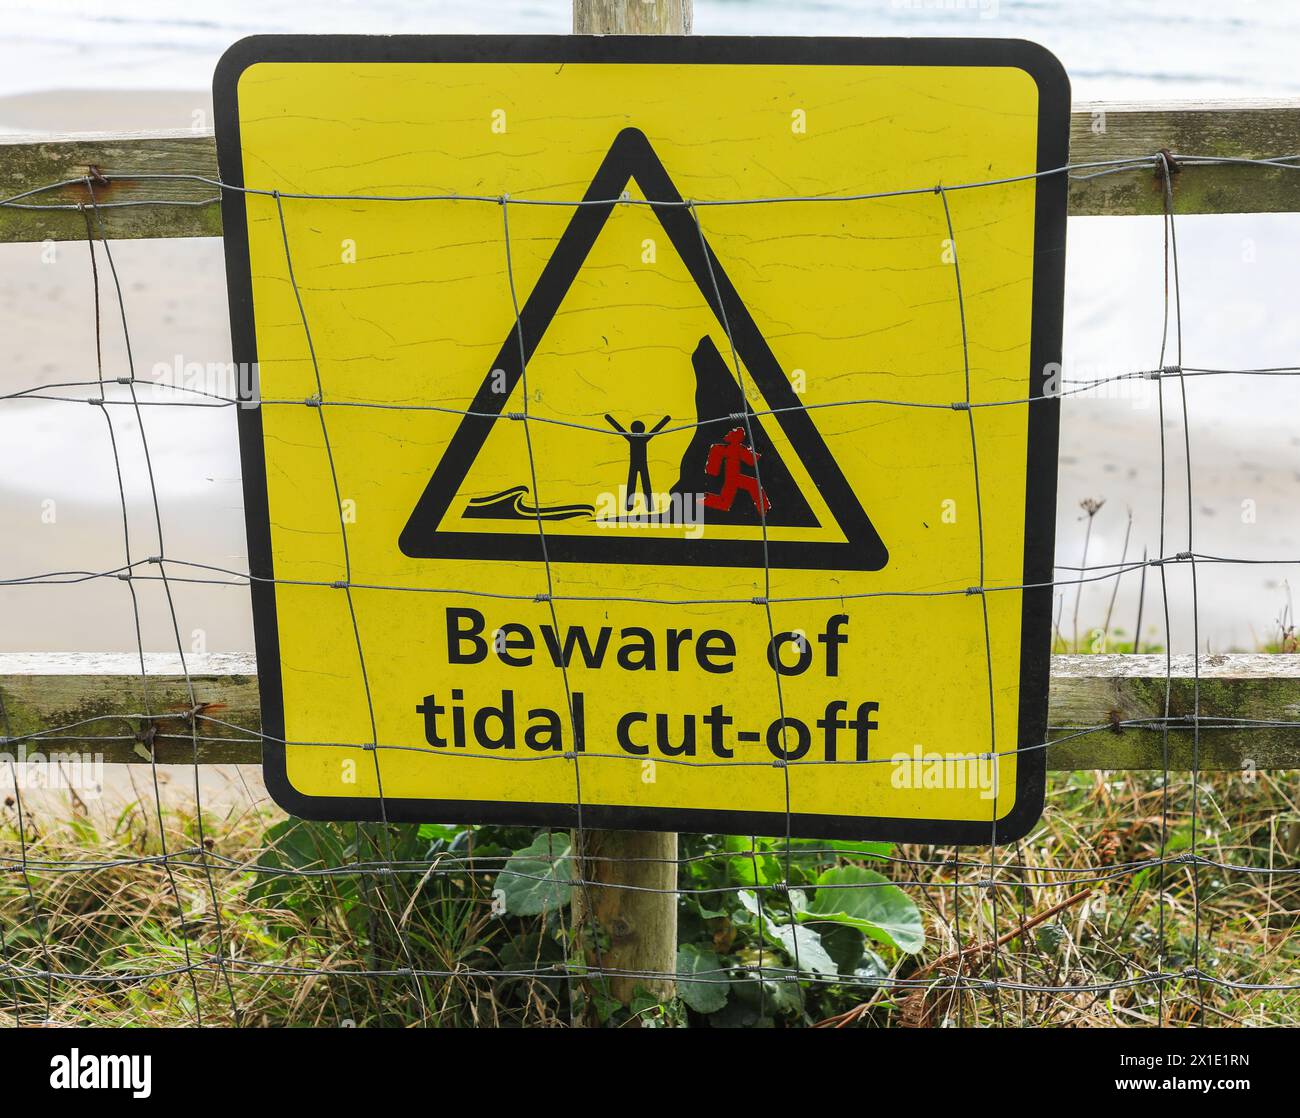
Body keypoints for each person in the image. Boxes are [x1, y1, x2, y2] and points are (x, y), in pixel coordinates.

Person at [604, 413, 671, 510]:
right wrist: (666, 419)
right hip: (639, 463)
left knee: (634, 483)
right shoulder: (642, 438)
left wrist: (608, 418)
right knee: (643, 483)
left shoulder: (633, 438)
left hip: (637, 463)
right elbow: (656, 429)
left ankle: (631, 506)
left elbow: (619, 428)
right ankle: (648, 507)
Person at [703, 426, 770, 514]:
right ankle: (764, 508)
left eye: (732, 431)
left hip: (732, 478)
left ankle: (702, 499)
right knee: (753, 484)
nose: (729, 432)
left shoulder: (721, 448)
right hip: (734, 478)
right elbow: (752, 460)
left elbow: (711, 468)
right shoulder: (736, 448)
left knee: (724, 503)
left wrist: (711, 472)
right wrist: (756, 452)